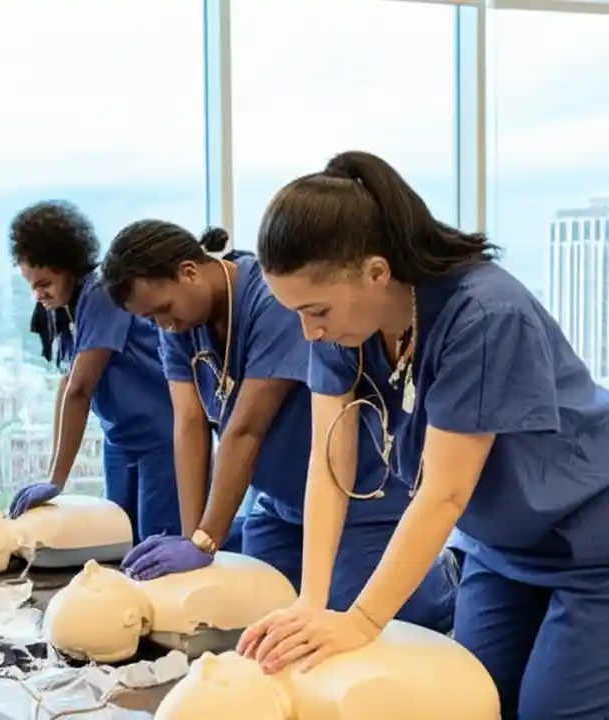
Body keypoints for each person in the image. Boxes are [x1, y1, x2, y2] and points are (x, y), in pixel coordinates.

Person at [236, 150, 609, 719]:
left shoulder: (483, 315)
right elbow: (328, 465)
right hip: (499, 549)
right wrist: (313, 603)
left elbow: (445, 492)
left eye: (316, 311)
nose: (309, 332)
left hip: (590, 543)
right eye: (297, 315)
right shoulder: (347, 331)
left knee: (549, 711)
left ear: (377, 272)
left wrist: (360, 622)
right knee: (466, 697)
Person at [100, 220, 455, 634]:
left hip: (361, 496)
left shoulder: (273, 301)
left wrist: (206, 540)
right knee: (264, 617)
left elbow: (246, 428)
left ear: (189, 272)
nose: (164, 325)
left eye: (162, 310)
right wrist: (190, 537)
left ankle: (444, 579)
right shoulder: (182, 327)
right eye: (150, 319)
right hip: (280, 501)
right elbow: (189, 424)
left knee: (348, 619)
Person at [5, 200, 180, 542]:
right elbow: (67, 384)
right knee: (119, 538)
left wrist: (56, 480)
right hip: (120, 438)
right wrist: (50, 475)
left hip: (161, 436)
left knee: (155, 543)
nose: (38, 294)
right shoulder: (66, 308)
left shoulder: (101, 293)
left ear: (68, 266)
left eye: (44, 283)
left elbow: (80, 391)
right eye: (31, 284)